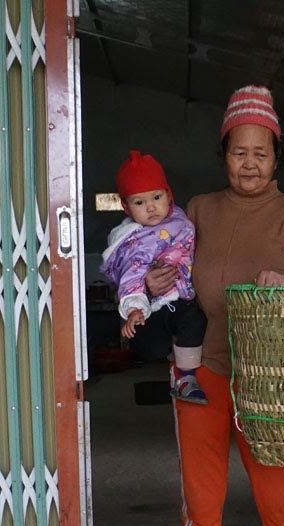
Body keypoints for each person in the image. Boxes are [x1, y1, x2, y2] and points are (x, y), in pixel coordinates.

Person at [144, 85, 284, 526]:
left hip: (269, 377)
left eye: (261, 153)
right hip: (200, 372)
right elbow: (164, 268)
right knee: (202, 494)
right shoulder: (197, 209)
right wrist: (154, 283)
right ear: (224, 154)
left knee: (277, 493)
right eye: (239, 151)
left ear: (276, 158)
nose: (249, 162)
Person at [100, 150, 208, 404]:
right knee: (146, 342)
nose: (150, 207)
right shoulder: (132, 241)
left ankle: (186, 377)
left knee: (195, 323)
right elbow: (131, 275)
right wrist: (135, 308)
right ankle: (168, 354)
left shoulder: (182, 221)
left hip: (182, 299)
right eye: (139, 202)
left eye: (157, 197)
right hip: (152, 307)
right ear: (126, 207)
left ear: (169, 196)